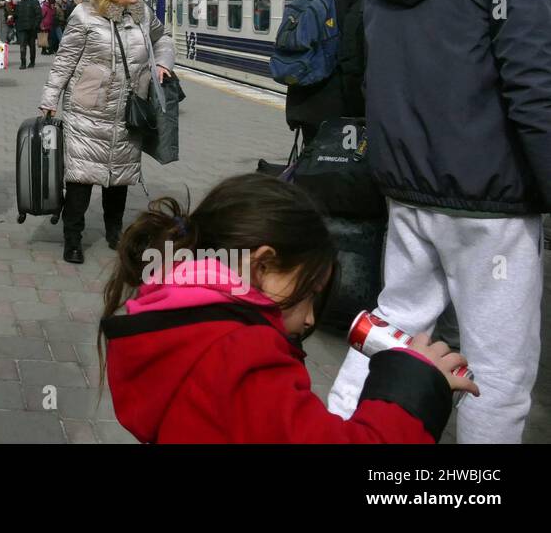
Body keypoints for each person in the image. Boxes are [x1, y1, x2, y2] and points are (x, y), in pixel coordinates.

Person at [326, 0, 551, 444]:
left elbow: (369, 80)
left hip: (407, 195)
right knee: (498, 367)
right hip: (491, 204)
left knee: (394, 322)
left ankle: (336, 426)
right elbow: (535, 95)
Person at [102, 173, 474, 442]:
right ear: (261, 266)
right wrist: (415, 389)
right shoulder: (240, 353)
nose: (310, 317)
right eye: (309, 292)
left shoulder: (170, 321)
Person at [40, 0, 174, 264]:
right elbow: (64, 61)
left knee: (119, 178)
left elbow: (163, 37)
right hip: (87, 108)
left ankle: (116, 234)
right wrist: (49, 99)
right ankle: (72, 240)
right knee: (80, 180)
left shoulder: (143, 16)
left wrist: (164, 61)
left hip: (129, 109)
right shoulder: (85, 16)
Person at [284, 0, 390, 144]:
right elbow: (353, 54)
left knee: (311, 168)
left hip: (305, 97)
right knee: (337, 174)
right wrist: (360, 108)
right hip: (339, 106)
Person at [15, 0, 42, 69]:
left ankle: (32, 62)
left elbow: (39, 15)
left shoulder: (34, 2)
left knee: (31, 46)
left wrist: (35, 25)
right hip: (22, 28)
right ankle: (23, 63)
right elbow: (17, 15)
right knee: (22, 46)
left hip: (31, 29)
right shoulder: (19, 3)